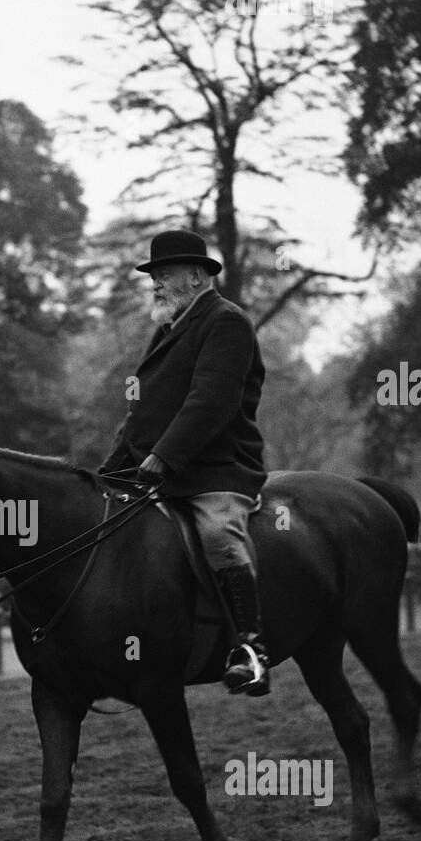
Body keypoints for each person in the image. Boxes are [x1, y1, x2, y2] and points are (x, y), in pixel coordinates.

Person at [99, 229, 271, 695]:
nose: (154, 283)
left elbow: (209, 403)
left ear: (195, 276)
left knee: (218, 535)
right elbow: (143, 412)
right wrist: (109, 470)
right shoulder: (167, 329)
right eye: (152, 275)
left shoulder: (226, 322)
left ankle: (250, 650)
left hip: (218, 469)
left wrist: (162, 457)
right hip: (162, 470)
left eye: (163, 274)